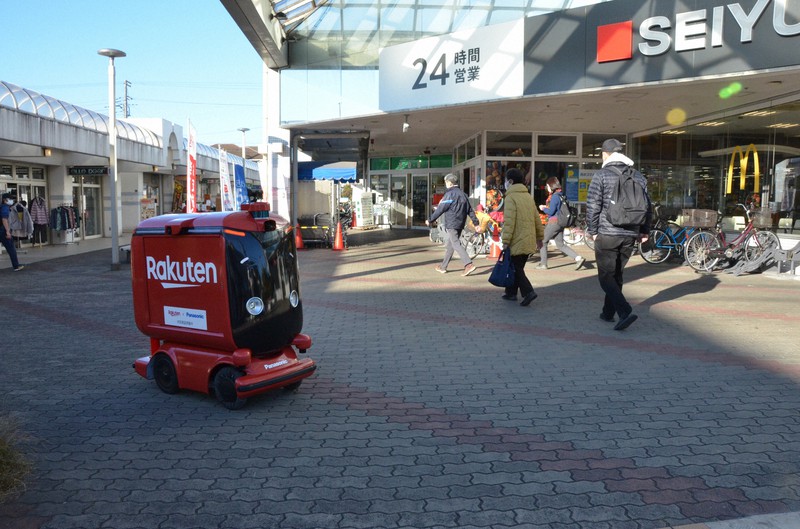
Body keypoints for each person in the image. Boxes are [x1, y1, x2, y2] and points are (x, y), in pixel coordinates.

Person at [586, 139, 651, 331]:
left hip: (607, 233)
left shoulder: (601, 175)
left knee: (606, 277)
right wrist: (644, 230)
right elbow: (648, 206)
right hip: (630, 233)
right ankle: (608, 313)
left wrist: (592, 231)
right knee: (617, 274)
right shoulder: (638, 176)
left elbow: (593, 205)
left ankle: (624, 311)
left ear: (605, 154)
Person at [500, 168, 544, 306]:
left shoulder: (511, 197)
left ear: (511, 181)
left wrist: (506, 240)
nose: (505, 183)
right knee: (516, 267)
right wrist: (539, 237)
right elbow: (537, 219)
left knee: (516, 269)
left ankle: (528, 292)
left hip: (516, 240)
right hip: (528, 239)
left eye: (506, 180)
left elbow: (509, 221)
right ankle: (511, 293)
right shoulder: (528, 197)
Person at [425, 173, 482, 276]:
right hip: (460, 223)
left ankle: (468, 264)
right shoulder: (463, 194)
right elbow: (470, 210)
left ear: (449, 183)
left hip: (452, 223)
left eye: (446, 182)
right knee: (451, 245)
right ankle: (443, 267)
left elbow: (441, 209)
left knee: (455, 243)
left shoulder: (449, 194)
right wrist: (476, 223)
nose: (446, 184)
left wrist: (430, 219)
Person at [537, 177, 586, 270]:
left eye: (547, 186)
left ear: (551, 186)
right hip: (561, 223)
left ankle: (543, 264)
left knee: (542, 241)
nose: (546, 188)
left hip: (554, 222)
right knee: (560, 244)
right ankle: (578, 258)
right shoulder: (562, 195)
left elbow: (551, 212)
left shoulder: (555, 196)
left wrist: (543, 208)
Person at [0, 193, 24, 271]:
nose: (12, 200)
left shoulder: (2, 207)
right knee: (11, 248)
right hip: (3, 230)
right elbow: (4, 219)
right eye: (10, 199)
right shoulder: (5, 207)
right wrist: (7, 231)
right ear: (5, 200)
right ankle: (16, 266)